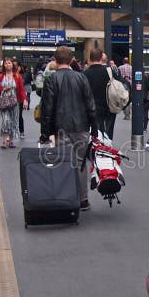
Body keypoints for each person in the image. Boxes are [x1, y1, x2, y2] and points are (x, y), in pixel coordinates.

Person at [40, 46, 97, 211]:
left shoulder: (51, 79)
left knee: (64, 163)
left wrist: (45, 133)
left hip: (61, 128)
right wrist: (94, 128)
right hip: (82, 128)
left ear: (55, 61)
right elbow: (90, 105)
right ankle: (83, 200)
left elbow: (47, 109)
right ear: (72, 60)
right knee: (80, 163)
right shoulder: (81, 78)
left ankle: (66, 198)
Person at [84, 48, 119, 139]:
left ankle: (96, 145)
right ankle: (107, 144)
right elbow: (120, 86)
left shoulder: (84, 74)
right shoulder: (110, 72)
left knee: (95, 131)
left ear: (90, 59)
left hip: (91, 107)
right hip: (109, 105)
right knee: (108, 130)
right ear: (101, 59)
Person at [0, 58, 27, 148]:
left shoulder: (17, 76)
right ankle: (4, 141)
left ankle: (11, 141)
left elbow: (22, 90)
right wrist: (3, 89)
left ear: (12, 65)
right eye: (6, 63)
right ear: (4, 65)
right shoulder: (0, 75)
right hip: (3, 102)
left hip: (14, 102)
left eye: (9, 63)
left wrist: (24, 100)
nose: (8, 64)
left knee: (13, 121)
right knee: (6, 120)